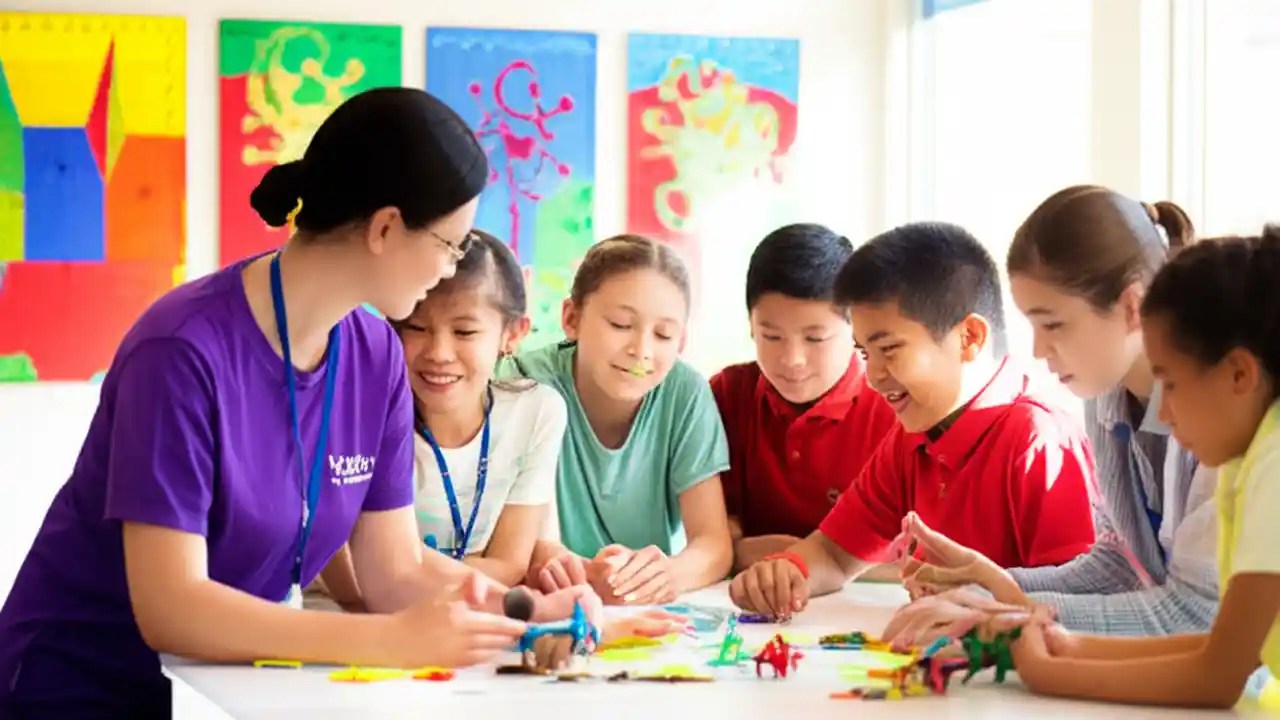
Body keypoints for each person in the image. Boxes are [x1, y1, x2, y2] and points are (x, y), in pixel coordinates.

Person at [0, 88, 591, 718]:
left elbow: (394, 572)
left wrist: (525, 611)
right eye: (451, 245)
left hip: (215, 689)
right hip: (70, 684)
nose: (450, 271)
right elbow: (172, 607)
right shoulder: (180, 350)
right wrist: (388, 641)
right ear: (385, 228)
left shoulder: (375, 356)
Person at [882, 186, 1219, 638]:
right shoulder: (1104, 395)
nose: (1039, 350)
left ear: (1132, 307)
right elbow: (1122, 565)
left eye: (1054, 324)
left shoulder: (1220, 410)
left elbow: (1198, 614)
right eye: (1033, 326)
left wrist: (1008, 609)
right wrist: (992, 586)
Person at [729, 221, 1098, 618]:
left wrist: (986, 603)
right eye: (866, 354)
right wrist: (788, 571)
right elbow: (834, 554)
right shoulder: (913, 436)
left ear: (969, 338)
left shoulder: (1038, 440)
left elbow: (1077, 606)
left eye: (889, 349)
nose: (873, 376)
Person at [1005, 229, 1280, 708]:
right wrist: (1074, 647)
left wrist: (1053, 675)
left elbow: (1217, 678)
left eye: (1170, 385)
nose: (1166, 415)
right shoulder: (1250, 460)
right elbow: (1234, 648)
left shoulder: (1274, 465)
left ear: (1240, 374)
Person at [314, 231, 568, 604]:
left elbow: (510, 564)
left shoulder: (537, 413)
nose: (439, 352)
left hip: (463, 615)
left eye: (464, 331)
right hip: (344, 617)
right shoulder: (356, 412)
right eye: (416, 328)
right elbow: (348, 572)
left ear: (512, 334)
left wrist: (410, 580)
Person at [512, 235, 734, 605]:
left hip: (642, 616)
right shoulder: (522, 384)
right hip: (550, 606)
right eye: (620, 324)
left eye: (664, 334)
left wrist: (666, 575)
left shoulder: (686, 392)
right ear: (571, 318)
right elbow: (511, 544)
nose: (641, 351)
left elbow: (713, 544)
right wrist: (582, 573)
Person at [709, 224, 897, 571]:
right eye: (771, 336)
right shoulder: (726, 396)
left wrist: (817, 558)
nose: (792, 359)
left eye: (815, 339)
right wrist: (740, 550)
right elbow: (707, 533)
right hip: (750, 603)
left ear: (855, 329)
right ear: (751, 325)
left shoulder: (896, 406)